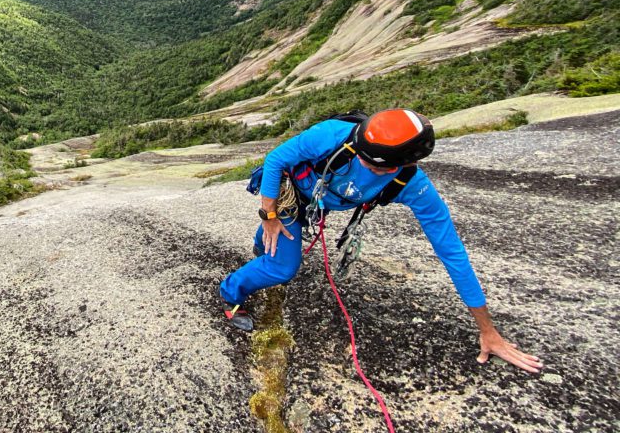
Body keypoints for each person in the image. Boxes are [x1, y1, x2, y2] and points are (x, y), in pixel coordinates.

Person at [219, 108, 543, 374]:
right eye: (361, 156)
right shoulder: (333, 135)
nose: (362, 163)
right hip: (290, 192)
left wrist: (487, 330)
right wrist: (269, 215)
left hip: (318, 198)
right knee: (283, 268)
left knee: (276, 246)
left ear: (401, 165)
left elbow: (452, 253)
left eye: (374, 165)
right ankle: (230, 293)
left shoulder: (412, 185)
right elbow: (276, 160)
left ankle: (264, 245)